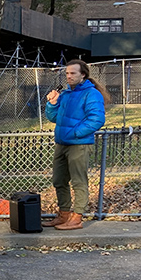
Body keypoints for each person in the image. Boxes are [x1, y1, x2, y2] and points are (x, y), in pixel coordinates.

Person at [41, 59, 109, 231]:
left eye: (73, 73)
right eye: (67, 73)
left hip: (79, 144)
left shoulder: (91, 94)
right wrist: (52, 104)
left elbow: (97, 119)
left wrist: (75, 133)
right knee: (59, 180)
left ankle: (77, 217)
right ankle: (63, 214)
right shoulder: (65, 94)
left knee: (79, 181)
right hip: (62, 143)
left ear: (83, 75)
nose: (69, 76)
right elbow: (54, 118)